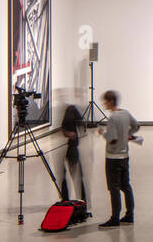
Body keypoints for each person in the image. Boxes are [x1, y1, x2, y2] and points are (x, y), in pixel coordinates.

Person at [97, 89, 139, 227]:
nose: (104, 104)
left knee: (113, 188)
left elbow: (112, 139)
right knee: (126, 186)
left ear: (110, 101)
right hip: (124, 155)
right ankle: (129, 215)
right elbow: (136, 126)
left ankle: (115, 217)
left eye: (105, 102)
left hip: (113, 157)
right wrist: (127, 134)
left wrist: (103, 133)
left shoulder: (113, 118)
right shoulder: (125, 113)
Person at [58, 99, 87, 210]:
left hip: (71, 149)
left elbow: (66, 131)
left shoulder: (70, 112)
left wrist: (69, 134)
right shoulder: (72, 112)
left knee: (75, 175)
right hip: (70, 149)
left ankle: (69, 199)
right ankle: (80, 199)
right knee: (74, 175)